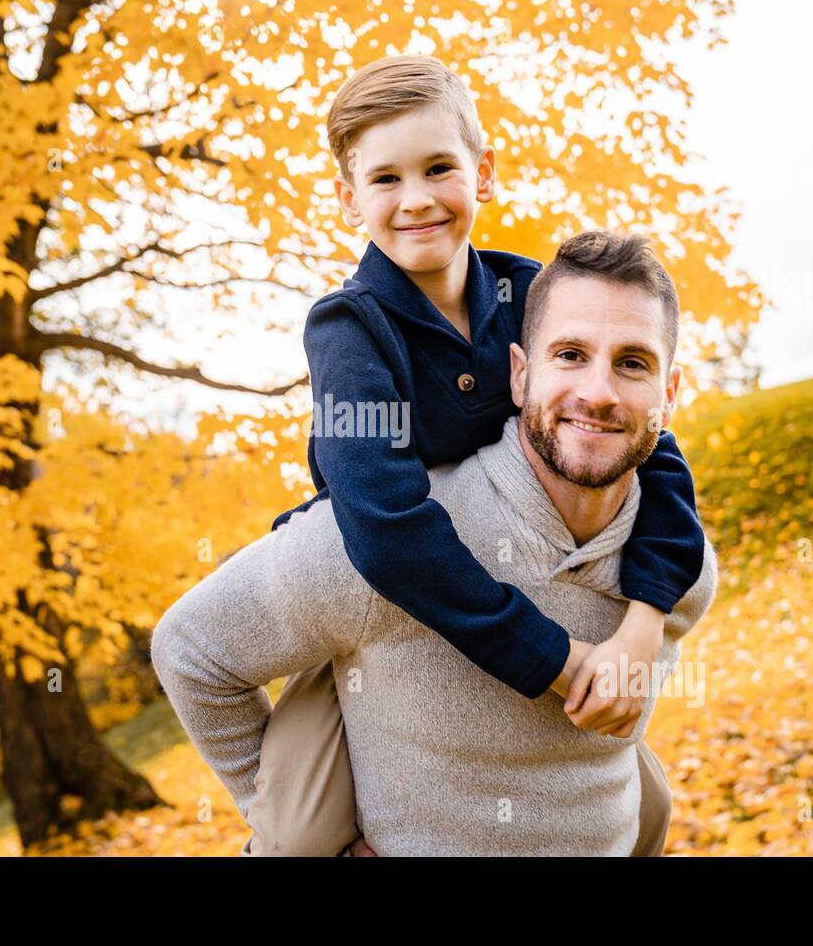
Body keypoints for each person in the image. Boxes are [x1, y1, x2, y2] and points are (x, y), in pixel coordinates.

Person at [247, 55, 704, 855]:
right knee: (300, 835)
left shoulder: (530, 295)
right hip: (367, 602)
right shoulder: (350, 330)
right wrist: (553, 660)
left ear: (482, 173)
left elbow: (653, 452)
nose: (417, 198)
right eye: (384, 179)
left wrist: (644, 622)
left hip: (516, 574)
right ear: (347, 198)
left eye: (438, 168)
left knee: (647, 808)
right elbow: (387, 527)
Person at [151, 239, 719, 855]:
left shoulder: (678, 573)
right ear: (520, 374)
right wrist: (303, 836)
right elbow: (192, 651)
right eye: (570, 354)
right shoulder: (391, 546)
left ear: (670, 393)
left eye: (633, 363)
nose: (600, 392)